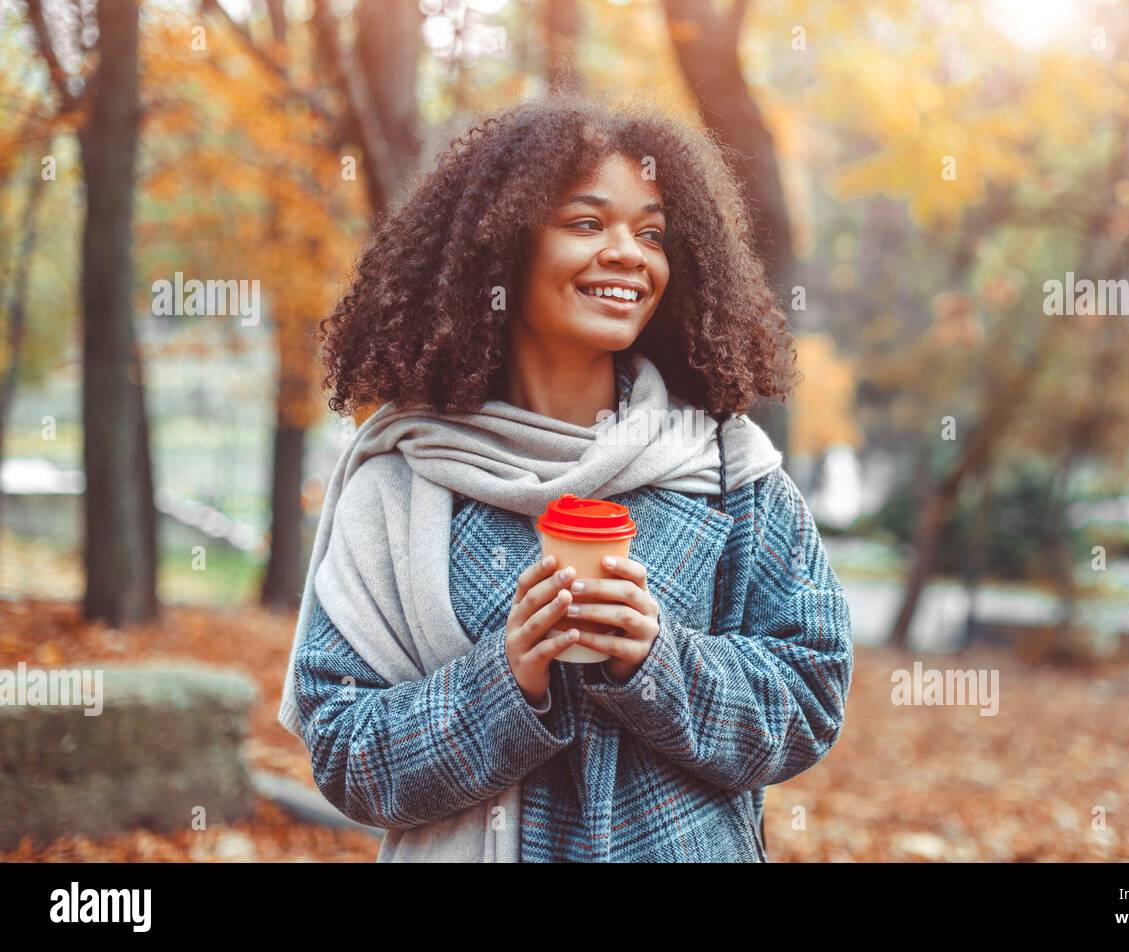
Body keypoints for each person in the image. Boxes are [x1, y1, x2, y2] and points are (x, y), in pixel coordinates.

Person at [275, 93, 854, 862]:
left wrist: (659, 660)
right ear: (503, 249)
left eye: (652, 233)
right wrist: (505, 682)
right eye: (588, 223)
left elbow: (809, 696)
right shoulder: (402, 480)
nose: (628, 254)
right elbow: (346, 754)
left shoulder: (724, 466)